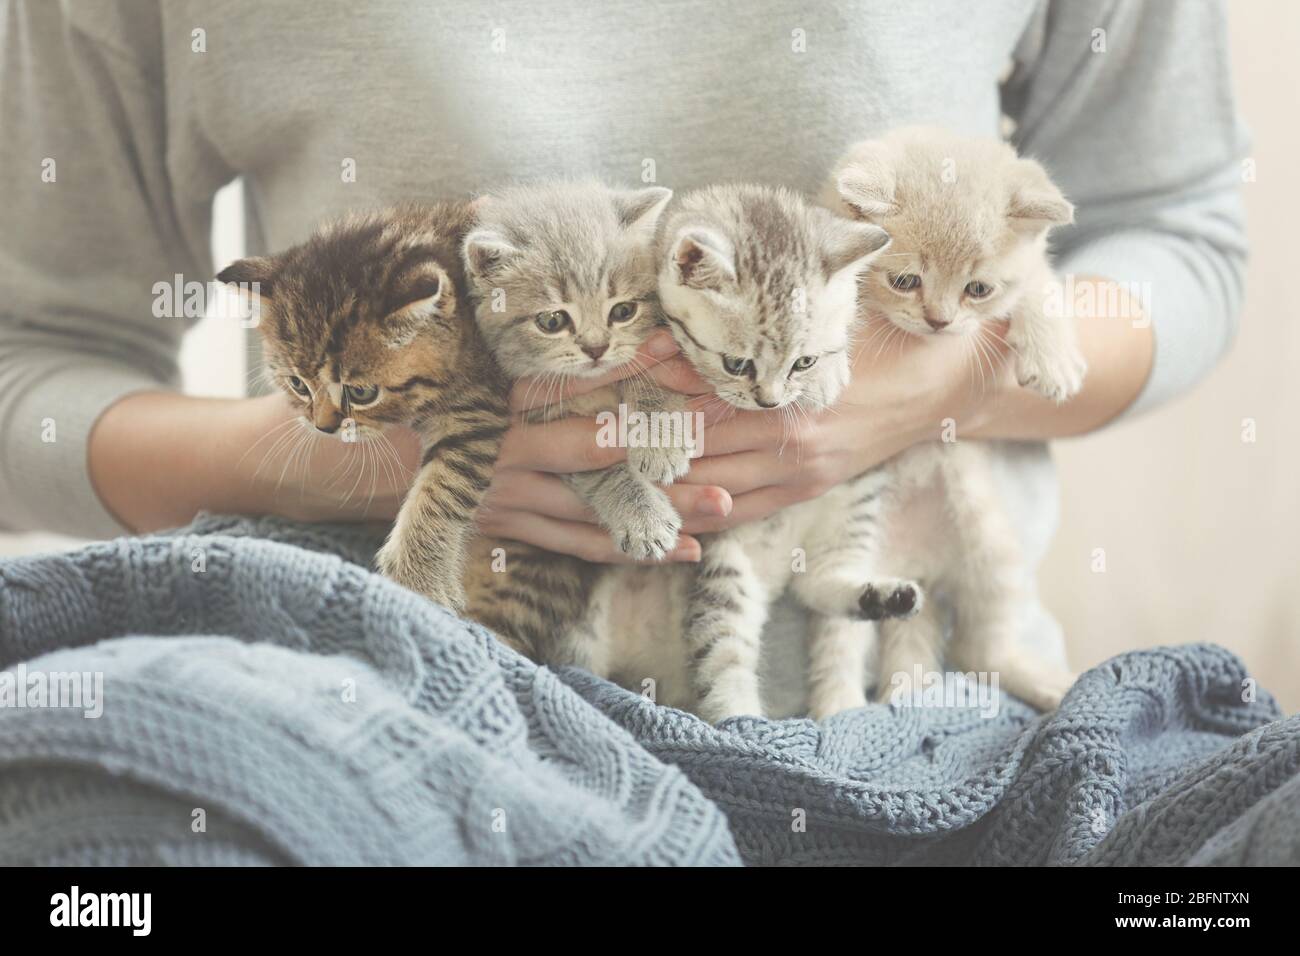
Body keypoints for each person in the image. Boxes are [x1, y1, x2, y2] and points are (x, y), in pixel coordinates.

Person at [0, 1, 1245, 673]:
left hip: (907, 686)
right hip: (375, 694)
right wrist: (335, 448)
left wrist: (923, 386)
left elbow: (1175, 233)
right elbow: (30, 363)